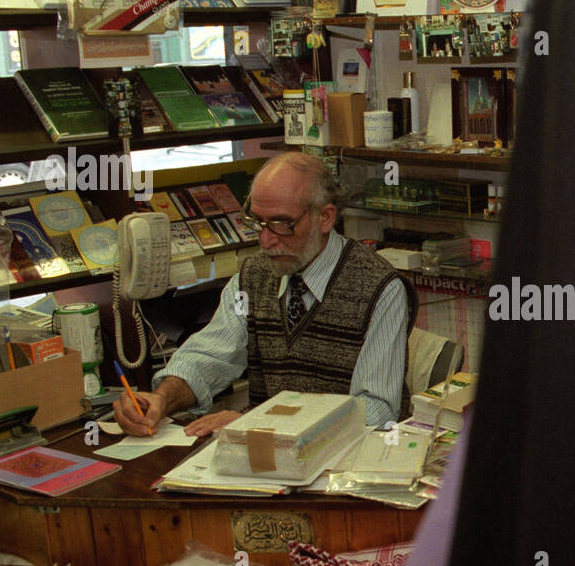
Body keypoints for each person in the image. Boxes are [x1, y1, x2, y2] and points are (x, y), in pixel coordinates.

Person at [113, 152, 417, 437]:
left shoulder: (380, 288)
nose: (266, 239)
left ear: (325, 217)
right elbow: (207, 358)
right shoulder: (253, 278)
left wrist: (260, 422)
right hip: (268, 465)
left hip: (344, 468)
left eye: (282, 224)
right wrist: (161, 399)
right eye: (257, 222)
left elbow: (377, 412)